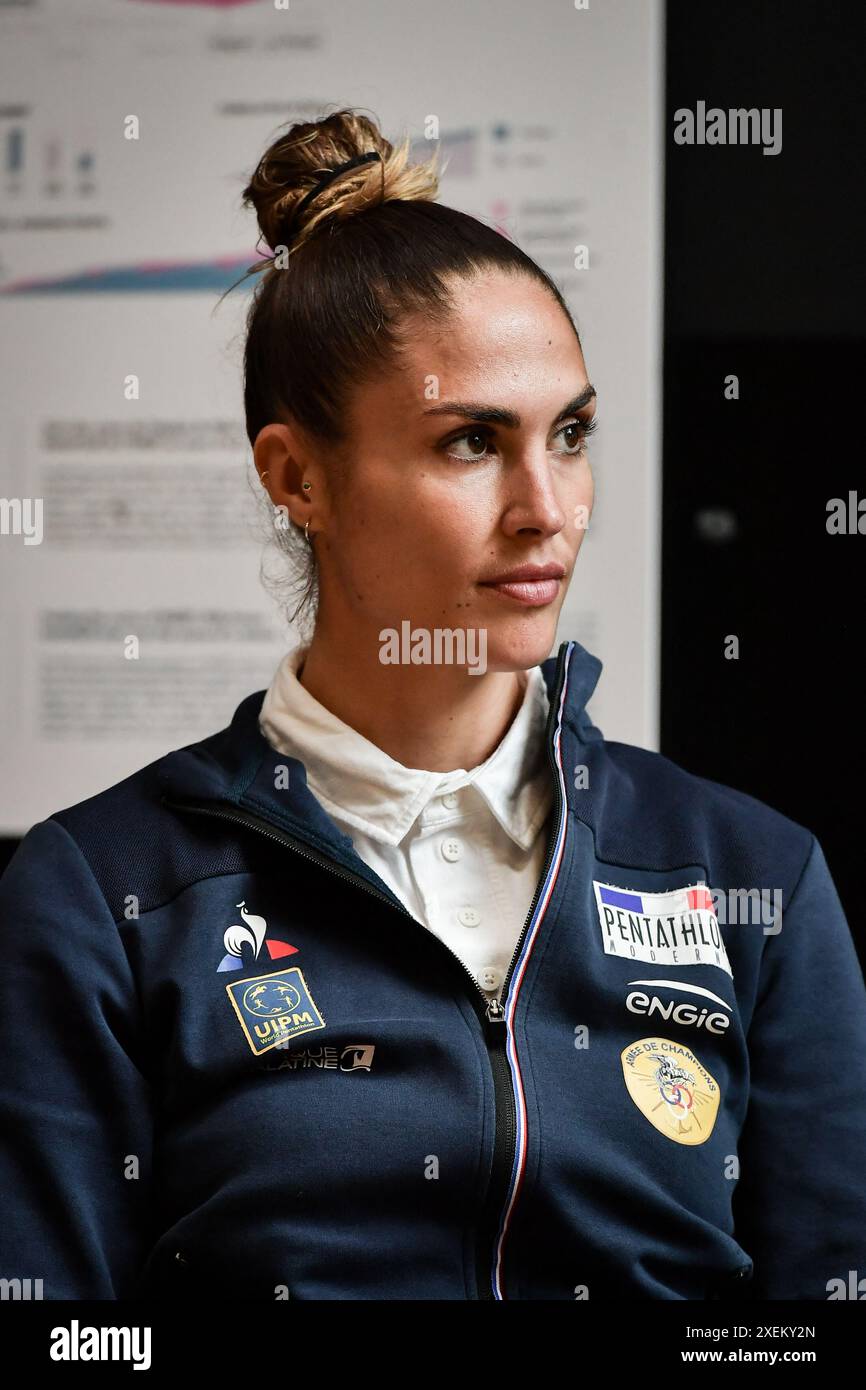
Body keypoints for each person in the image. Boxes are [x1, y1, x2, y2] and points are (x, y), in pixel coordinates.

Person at [1, 108, 864, 1303]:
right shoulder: (100, 894)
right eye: (471, 442)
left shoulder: (751, 876)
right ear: (295, 474)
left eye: (568, 434)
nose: (547, 507)